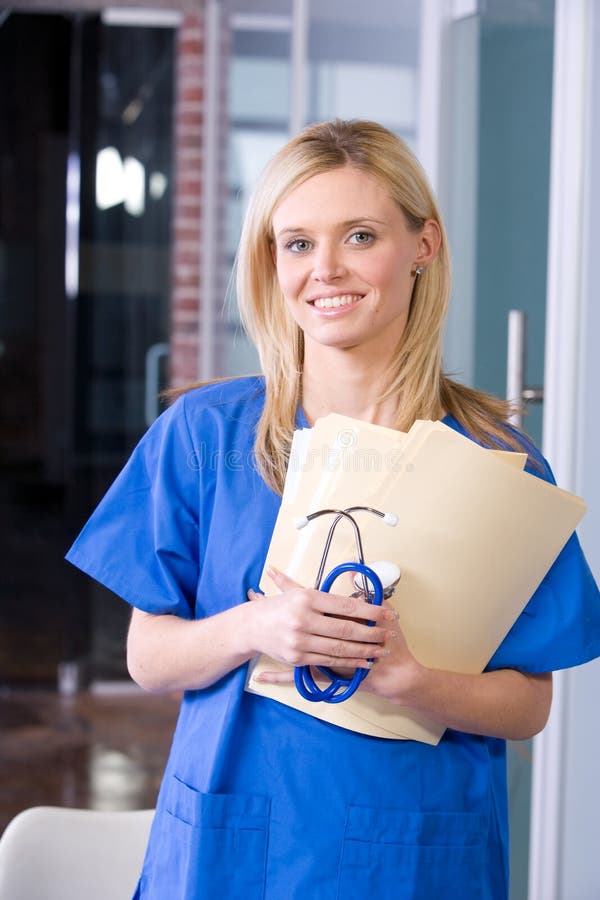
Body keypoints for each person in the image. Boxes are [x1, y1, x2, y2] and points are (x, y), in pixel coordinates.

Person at [66, 119, 600, 899]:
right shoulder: (206, 437)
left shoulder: (491, 459)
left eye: (359, 235)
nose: (326, 270)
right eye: (297, 244)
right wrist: (254, 627)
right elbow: (149, 658)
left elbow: (527, 707)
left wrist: (409, 677)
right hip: (231, 844)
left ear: (424, 245)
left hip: (412, 851)